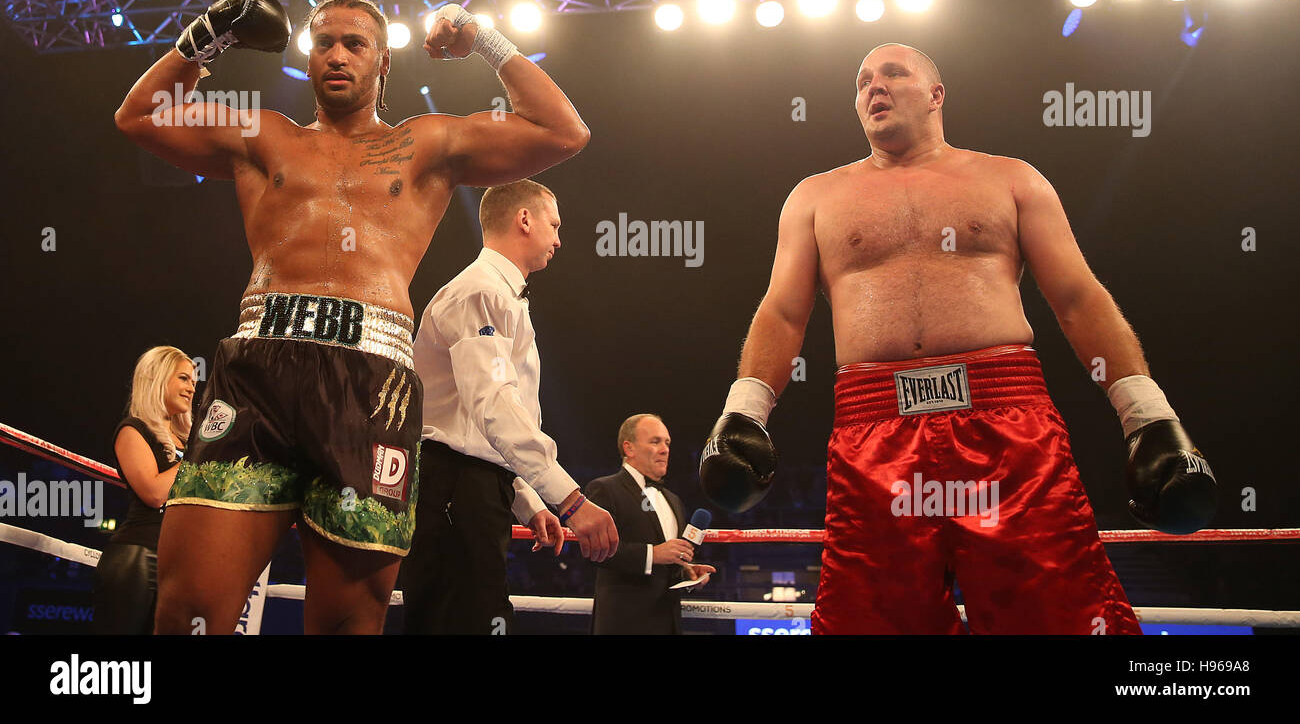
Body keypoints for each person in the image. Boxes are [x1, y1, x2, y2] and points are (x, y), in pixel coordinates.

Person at [113, 0, 590, 635]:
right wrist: (209, 35)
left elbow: (563, 130)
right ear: (308, 60)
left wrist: (482, 37)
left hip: (372, 386)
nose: (337, 54)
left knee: (347, 625)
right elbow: (137, 116)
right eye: (324, 43)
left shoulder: (425, 145)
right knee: (188, 608)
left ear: (381, 62)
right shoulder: (265, 136)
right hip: (258, 371)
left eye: (355, 43)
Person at [699, 43, 1217, 635]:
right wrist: (745, 411)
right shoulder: (815, 196)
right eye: (864, 80)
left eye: (894, 73)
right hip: (874, 426)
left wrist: (1147, 417)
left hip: (1006, 418)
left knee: (1058, 614)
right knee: (870, 622)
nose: (875, 87)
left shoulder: (1010, 178)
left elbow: (1078, 298)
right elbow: (784, 313)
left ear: (937, 95)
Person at [401, 179, 618, 635]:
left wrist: (528, 501)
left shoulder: (499, 294)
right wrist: (571, 500)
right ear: (524, 219)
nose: (559, 238)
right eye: (554, 224)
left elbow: (479, 423)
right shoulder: (481, 291)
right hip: (455, 486)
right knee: (463, 622)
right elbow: (493, 407)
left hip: (471, 486)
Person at [93, 347, 195, 634]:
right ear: (158, 378)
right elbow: (153, 493)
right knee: (118, 671)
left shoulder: (189, 442)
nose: (190, 388)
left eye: (193, 383)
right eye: (184, 379)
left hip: (179, 565)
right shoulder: (133, 430)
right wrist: (198, 456)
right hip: (139, 556)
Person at [587, 414, 714, 634]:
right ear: (629, 449)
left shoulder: (673, 500)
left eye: (667, 443)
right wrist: (652, 554)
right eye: (655, 442)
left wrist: (687, 572)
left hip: (668, 623)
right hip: (623, 623)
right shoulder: (604, 489)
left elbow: (667, 563)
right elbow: (595, 552)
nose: (665, 449)